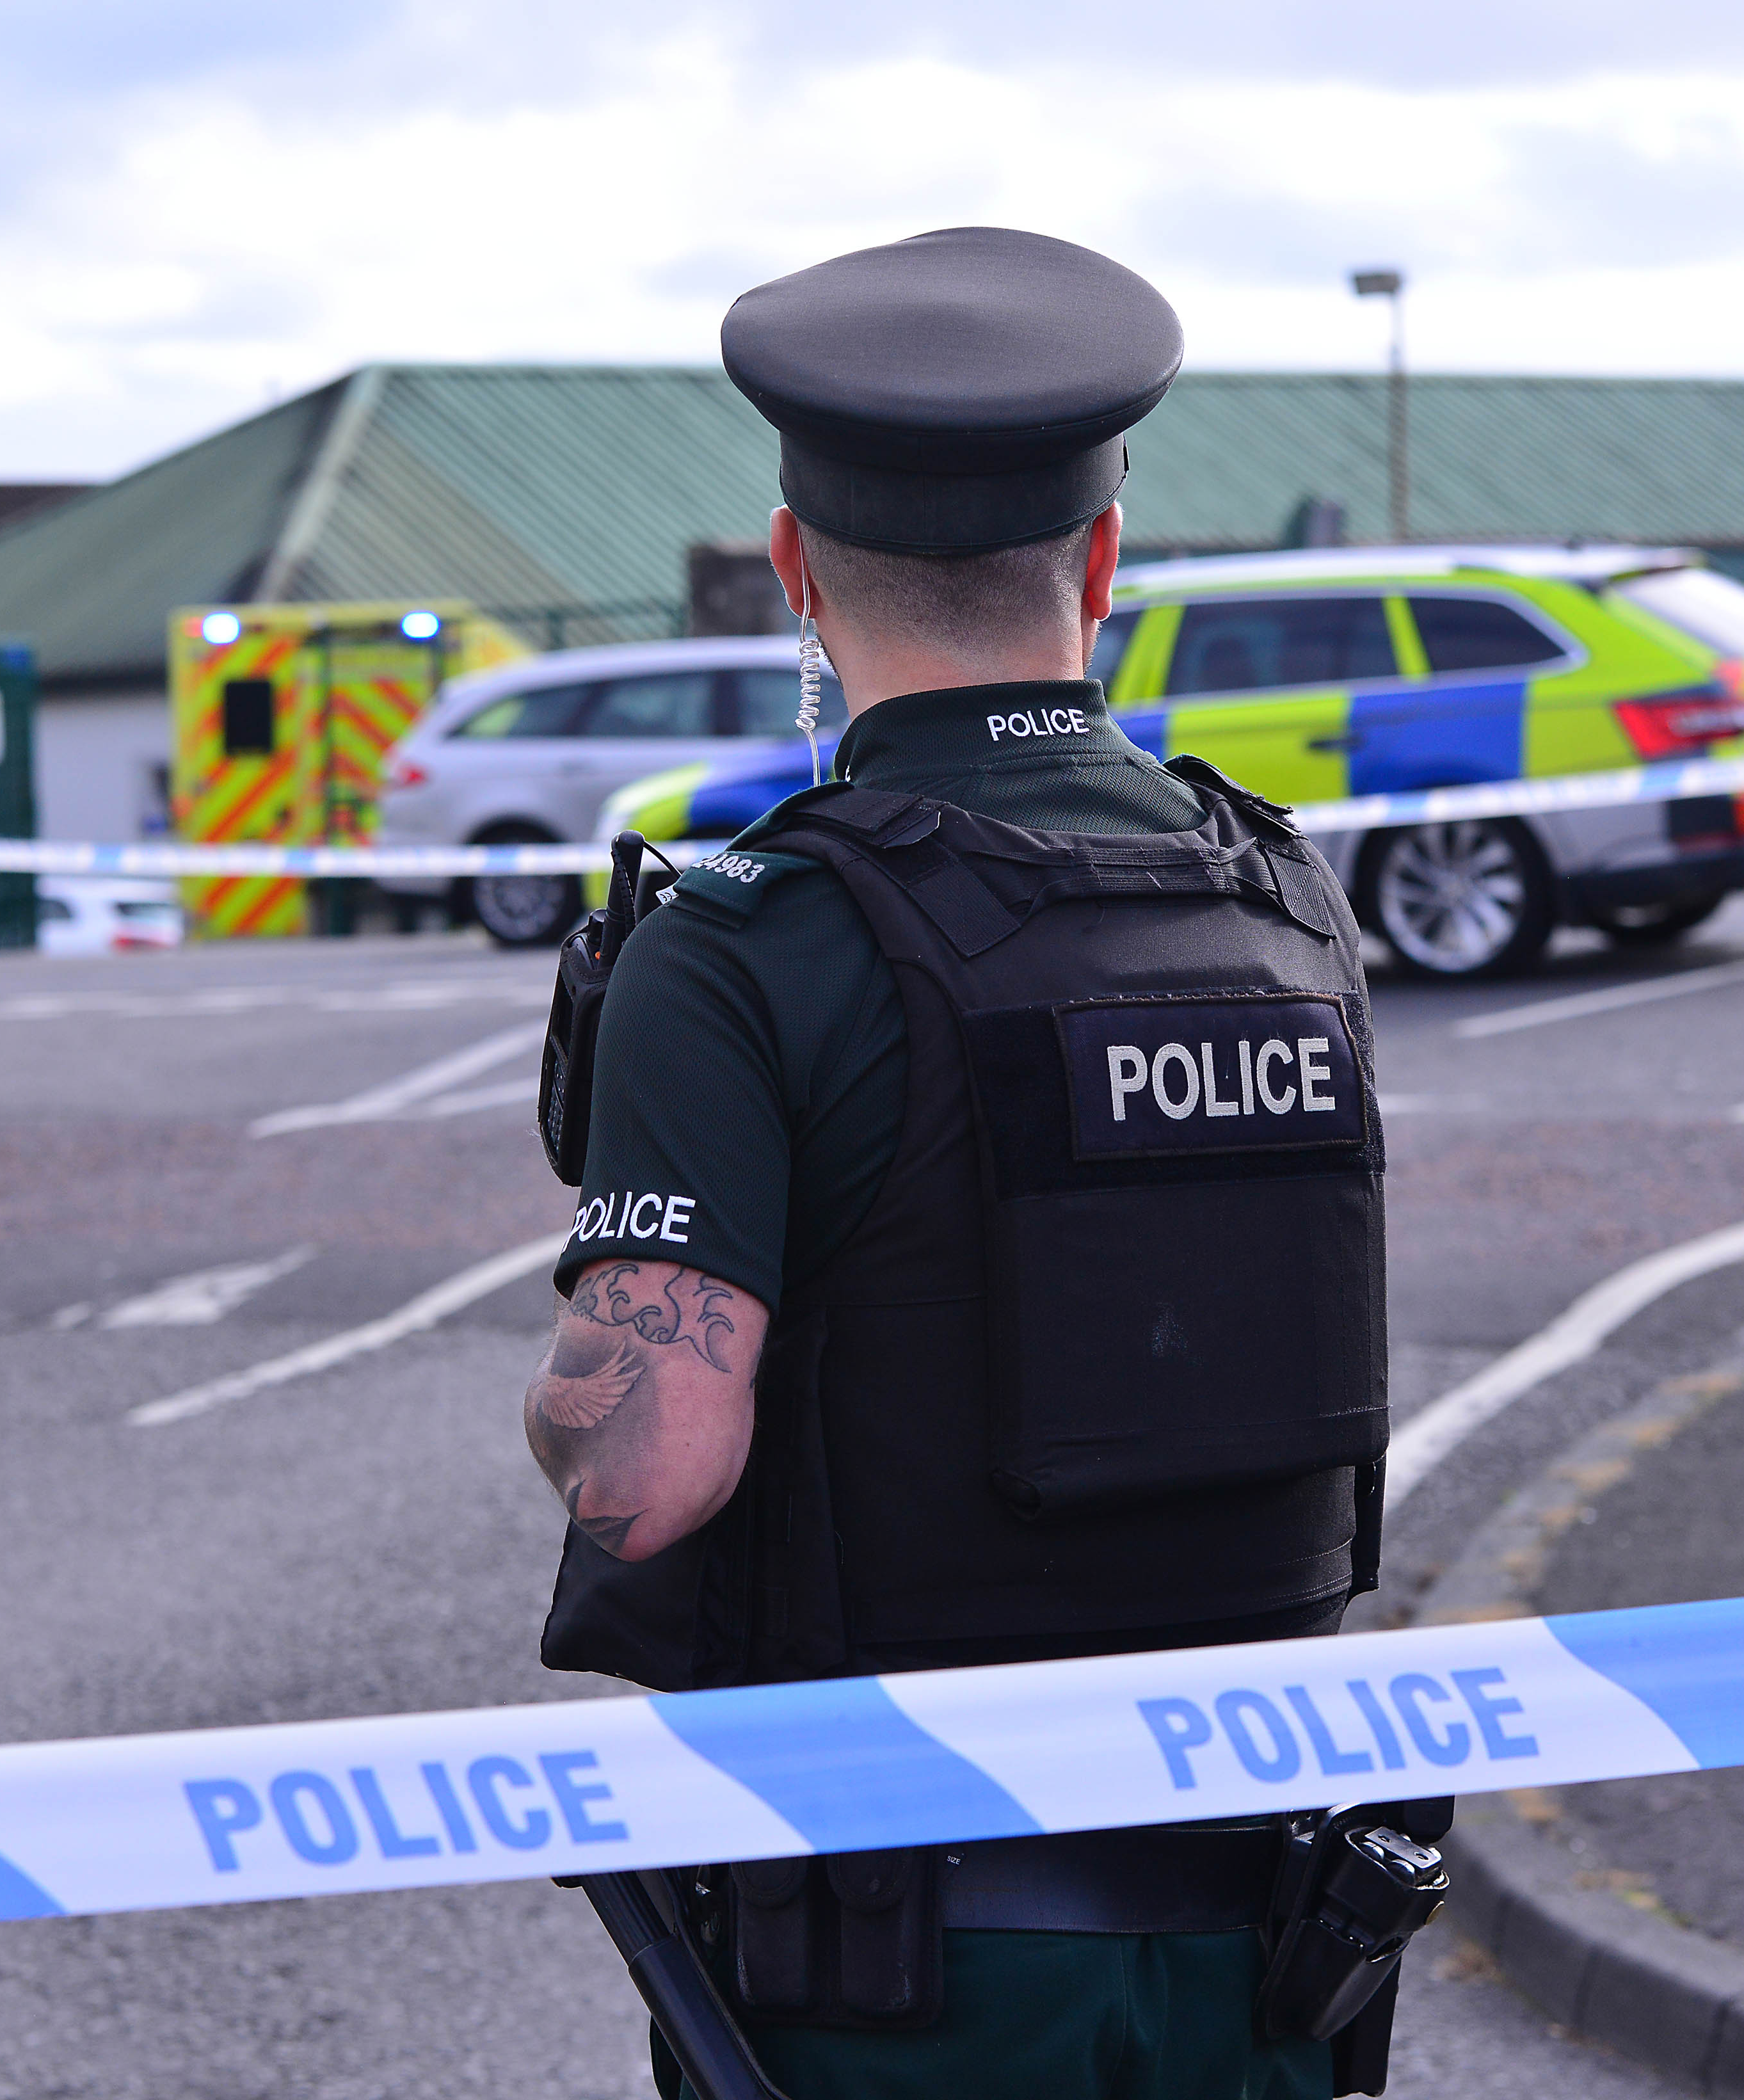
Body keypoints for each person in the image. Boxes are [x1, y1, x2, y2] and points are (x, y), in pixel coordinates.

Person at [523, 228, 1394, 2100]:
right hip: (1270, 1947)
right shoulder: (1282, 901)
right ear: (1103, 560)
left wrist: (578, 1362)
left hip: (904, 1973)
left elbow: (648, 1479)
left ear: (793, 571)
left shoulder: (747, 941)